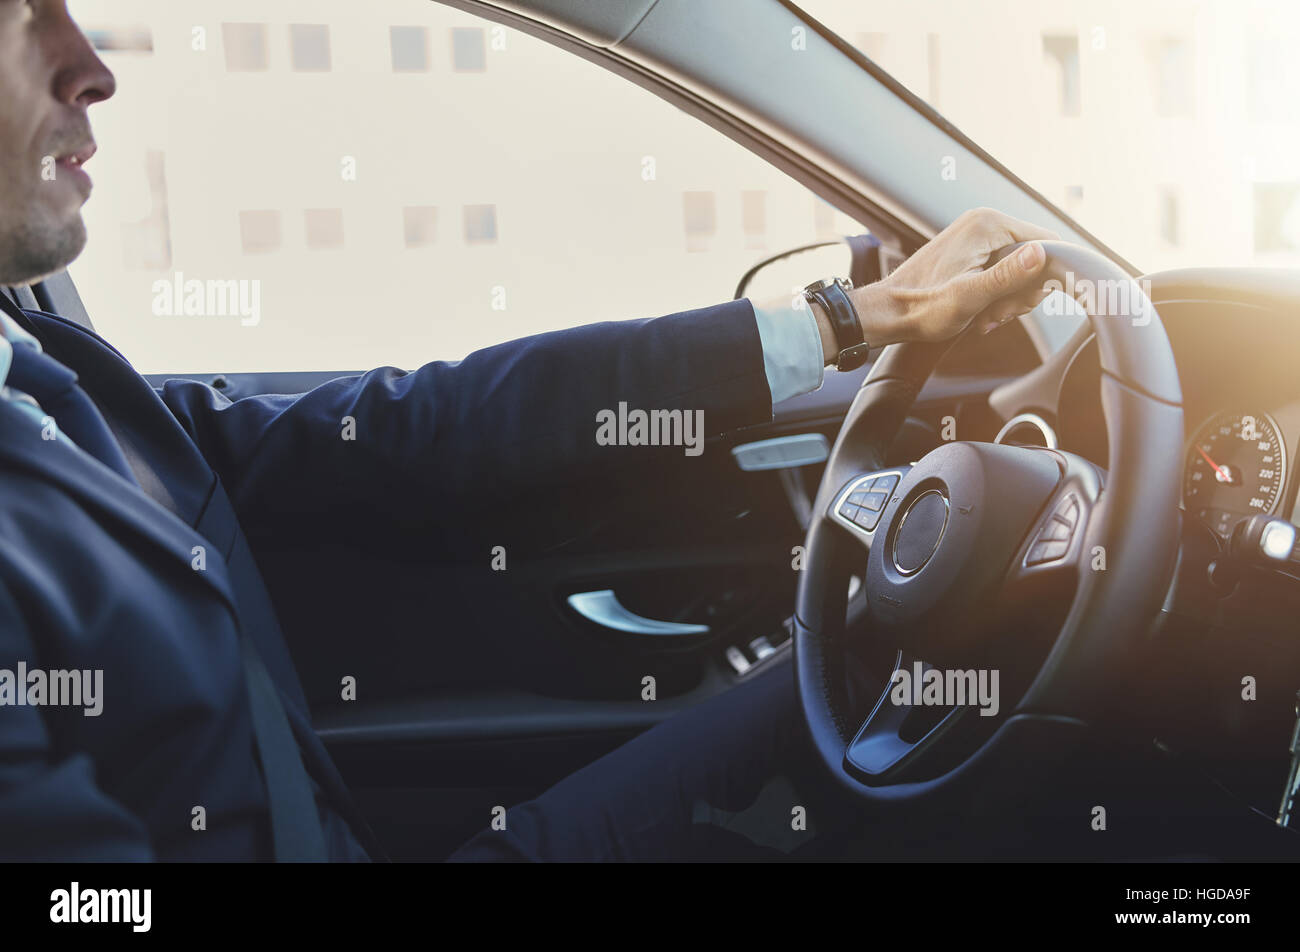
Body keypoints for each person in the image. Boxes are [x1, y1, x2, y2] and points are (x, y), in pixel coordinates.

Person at [0, 0, 1055, 861]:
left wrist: (847, 319)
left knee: (840, 687)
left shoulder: (57, 375)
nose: (91, 66)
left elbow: (410, 429)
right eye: (22, 13)